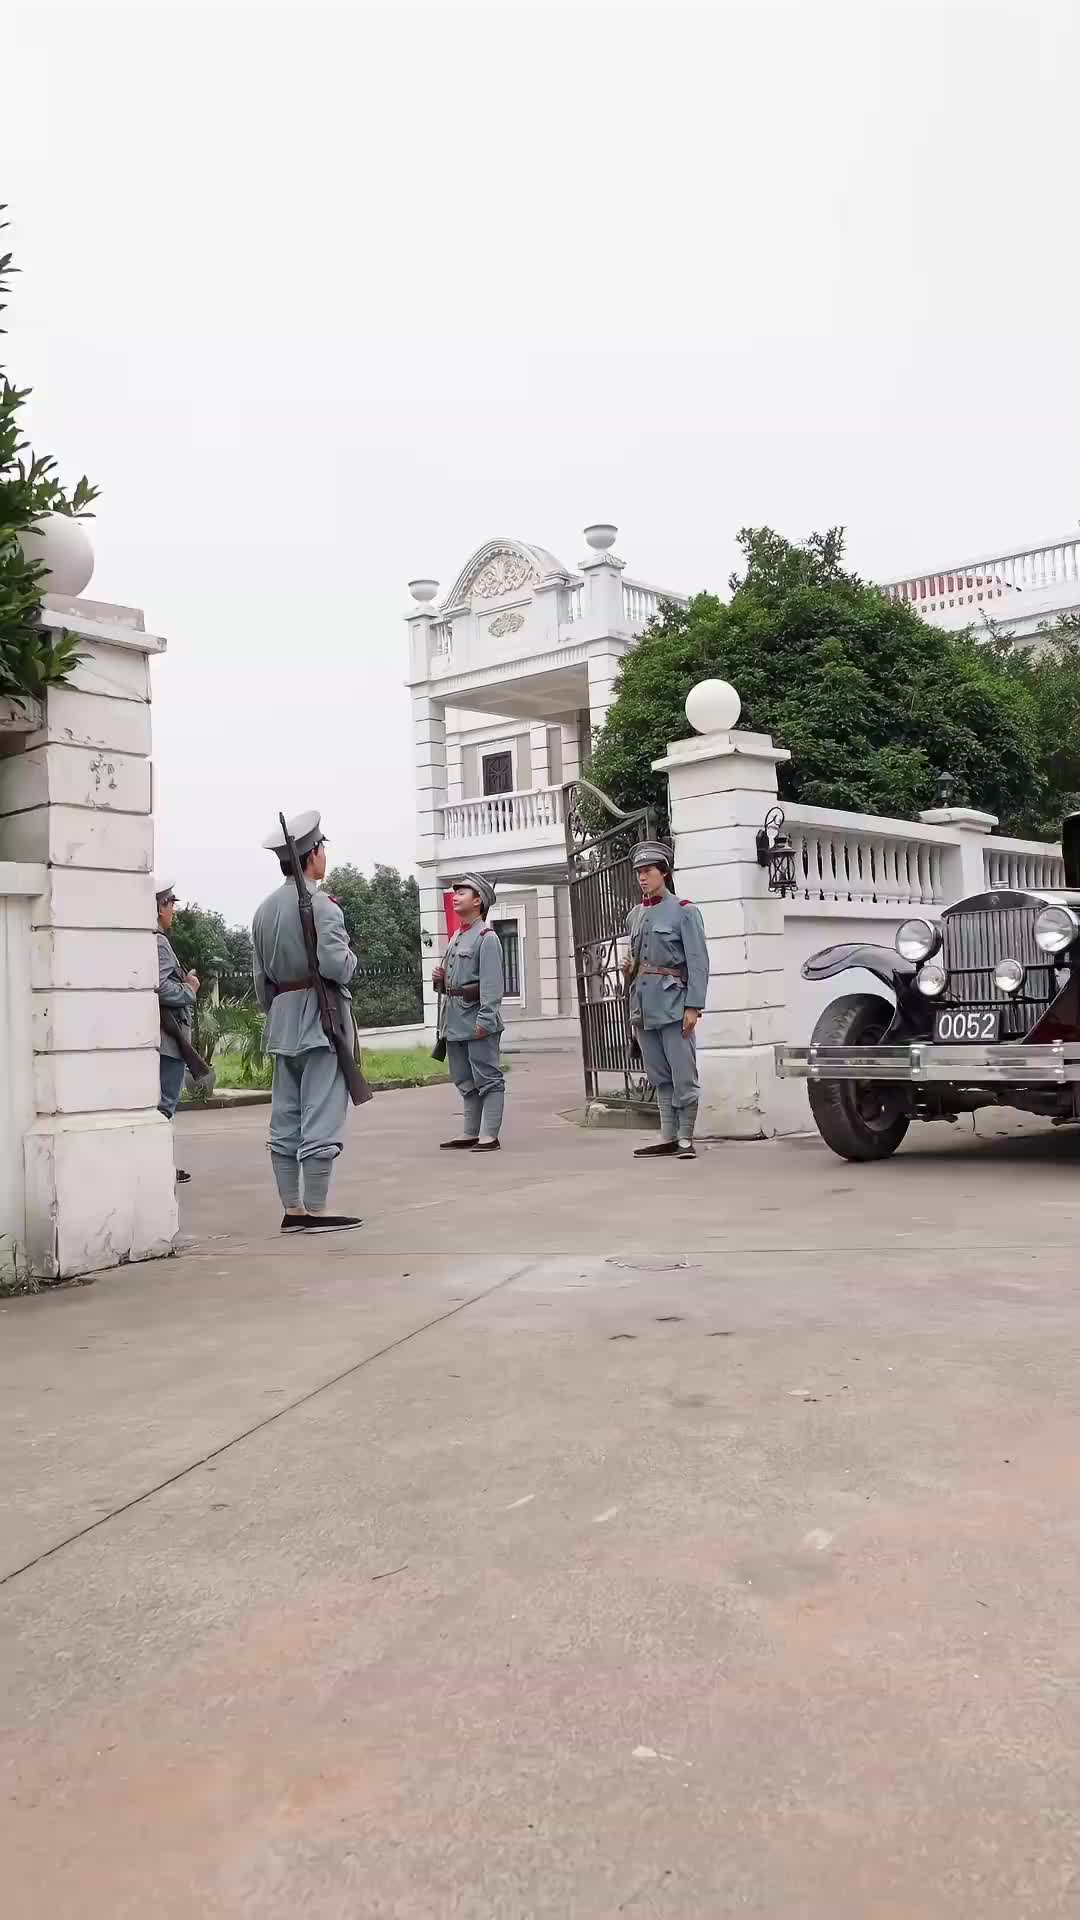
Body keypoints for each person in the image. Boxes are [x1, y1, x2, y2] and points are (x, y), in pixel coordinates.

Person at [252, 810, 362, 1234]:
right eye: (322, 849)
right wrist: (350, 960)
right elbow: (337, 966)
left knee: (285, 1117)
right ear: (313, 854)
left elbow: (262, 981)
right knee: (322, 1114)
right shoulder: (322, 906)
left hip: (282, 1022)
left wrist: (281, 1011)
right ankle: (317, 1211)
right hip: (322, 1022)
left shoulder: (262, 911)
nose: (324, 856)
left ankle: (292, 1209)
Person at [624, 839, 710, 1161]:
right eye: (639, 873)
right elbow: (638, 962)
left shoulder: (685, 911)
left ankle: (686, 1138)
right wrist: (629, 969)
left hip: (674, 1005)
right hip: (643, 1007)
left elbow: (698, 962)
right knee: (659, 1074)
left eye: (647, 871)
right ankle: (667, 1136)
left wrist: (693, 1006)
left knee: (683, 1073)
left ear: (665, 873)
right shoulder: (634, 916)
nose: (642, 878)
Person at [434, 872, 506, 1153]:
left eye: (462, 892)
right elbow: (453, 982)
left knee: (487, 1077)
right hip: (454, 1020)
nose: (455, 896)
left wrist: (485, 1021)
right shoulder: (456, 936)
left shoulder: (487, 938)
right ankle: (469, 1132)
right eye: (455, 892)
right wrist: (439, 979)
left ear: (478, 901)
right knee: (464, 1078)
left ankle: (490, 1135)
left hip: (477, 1020)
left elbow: (492, 986)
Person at [155, 881, 197, 1185]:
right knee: (165, 1104)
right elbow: (160, 986)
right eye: (171, 905)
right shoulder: (159, 942)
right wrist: (189, 988)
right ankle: (160, 1166)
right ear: (160, 907)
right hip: (170, 1039)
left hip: (164, 1036)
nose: (173, 912)